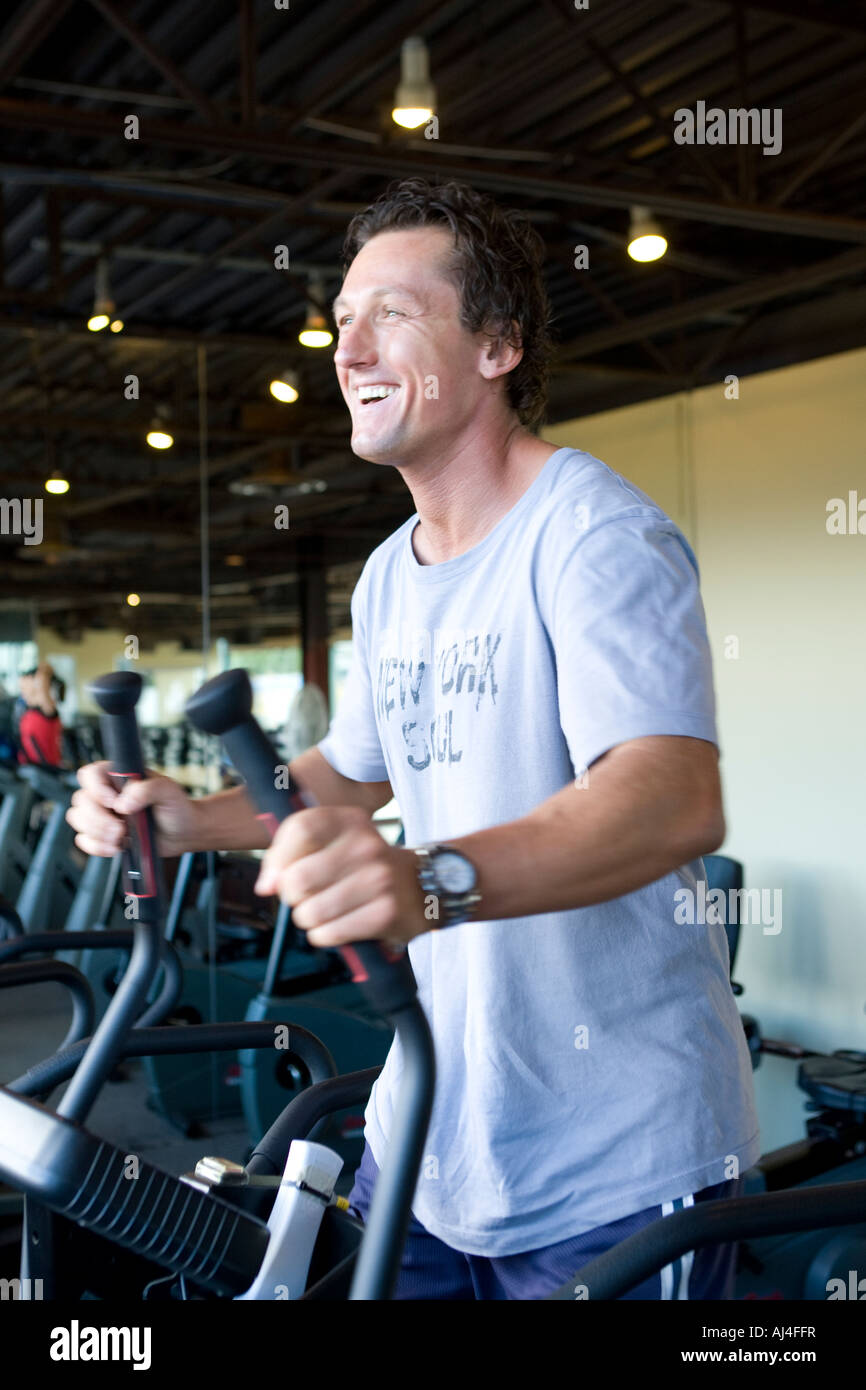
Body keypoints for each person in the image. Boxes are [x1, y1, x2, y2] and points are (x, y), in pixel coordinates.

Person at [67, 177, 760, 1301]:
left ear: (495, 344)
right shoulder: (391, 572)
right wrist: (180, 816)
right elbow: (345, 775)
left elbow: (668, 795)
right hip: (433, 1135)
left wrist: (426, 881)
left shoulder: (593, 533)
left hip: (614, 1164)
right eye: (341, 319)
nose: (347, 346)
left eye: (391, 312)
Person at [16, 662, 65, 768]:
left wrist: (36, 676)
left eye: (24, 685)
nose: (22, 689)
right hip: (28, 768)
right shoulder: (27, 710)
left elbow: (44, 674)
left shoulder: (47, 707)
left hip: (47, 771)